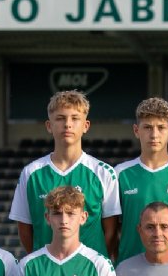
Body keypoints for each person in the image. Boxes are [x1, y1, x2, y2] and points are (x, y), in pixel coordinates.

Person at [10, 89, 120, 259]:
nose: (67, 124)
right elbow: (25, 230)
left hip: (89, 271)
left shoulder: (103, 172)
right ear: (49, 126)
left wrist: (92, 261)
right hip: (47, 272)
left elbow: (111, 231)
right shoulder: (31, 173)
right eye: (60, 118)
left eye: (75, 118)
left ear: (86, 126)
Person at [113, 97, 168, 264]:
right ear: (136, 130)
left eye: (161, 127)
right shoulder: (119, 174)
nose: (154, 134)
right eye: (147, 127)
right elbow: (112, 231)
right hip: (130, 270)